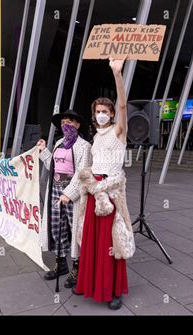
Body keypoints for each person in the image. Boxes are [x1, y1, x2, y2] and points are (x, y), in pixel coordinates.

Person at [73, 57, 135, 311]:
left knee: (111, 243)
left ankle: (113, 290)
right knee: (91, 241)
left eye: (104, 112)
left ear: (110, 115)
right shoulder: (96, 137)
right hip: (93, 193)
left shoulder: (119, 131)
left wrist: (117, 73)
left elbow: (123, 105)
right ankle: (90, 284)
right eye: (97, 111)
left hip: (110, 193)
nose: (101, 115)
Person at [36, 110, 91, 288]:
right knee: (57, 227)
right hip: (55, 191)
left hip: (73, 196)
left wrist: (69, 193)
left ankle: (78, 266)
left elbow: (83, 174)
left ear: (78, 124)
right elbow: (52, 165)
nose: (65, 124)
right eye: (62, 122)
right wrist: (44, 150)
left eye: (69, 121)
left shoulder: (84, 146)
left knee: (75, 229)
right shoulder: (59, 143)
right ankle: (61, 264)